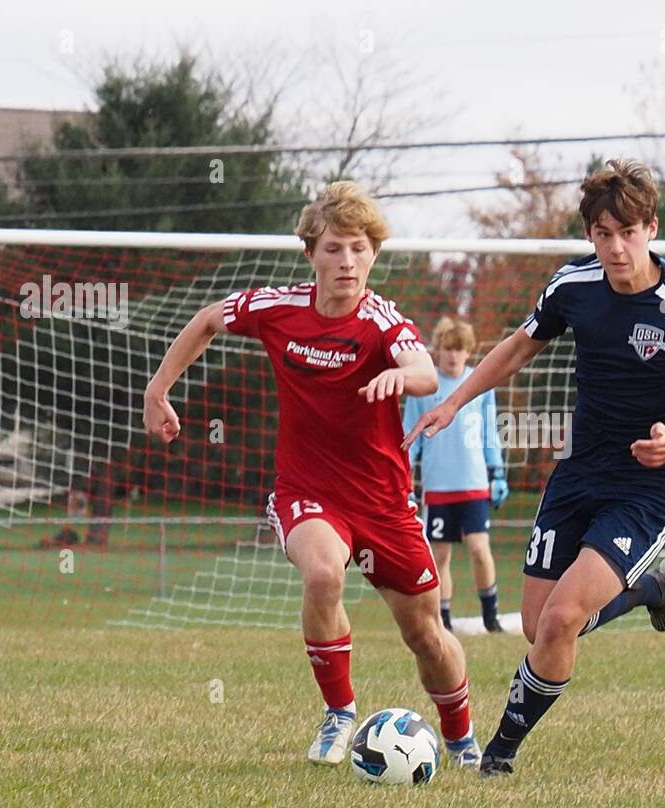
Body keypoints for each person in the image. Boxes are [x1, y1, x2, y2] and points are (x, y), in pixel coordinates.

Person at [405, 159, 665, 777]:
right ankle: (650, 586)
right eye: (603, 233)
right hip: (578, 472)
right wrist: (452, 402)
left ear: (652, 229)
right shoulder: (572, 288)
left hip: (649, 485)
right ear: (590, 234)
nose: (616, 246)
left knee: (561, 619)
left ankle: (497, 756)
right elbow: (516, 348)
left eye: (628, 232)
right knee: (540, 627)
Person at [143, 181, 482, 769]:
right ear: (311, 254)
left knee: (424, 633)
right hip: (308, 491)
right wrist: (158, 388)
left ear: (373, 254)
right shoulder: (279, 309)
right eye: (332, 248)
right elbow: (207, 319)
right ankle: (339, 712)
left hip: (383, 501)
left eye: (357, 248)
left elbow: (426, 371)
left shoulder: (383, 321)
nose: (346, 261)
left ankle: (462, 740)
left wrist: (399, 377)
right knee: (323, 572)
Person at [402, 318, 508, 634]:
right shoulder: (425, 385)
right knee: (440, 554)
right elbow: (411, 436)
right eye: (448, 349)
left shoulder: (478, 383)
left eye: (459, 350)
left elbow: (490, 432)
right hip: (438, 486)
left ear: (468, 352)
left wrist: (497, 473)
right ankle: (443, 620)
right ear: (438, 350)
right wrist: (404, 481)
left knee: (479, 548)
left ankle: (491, 616)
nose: (453, 356)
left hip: (473, 483)